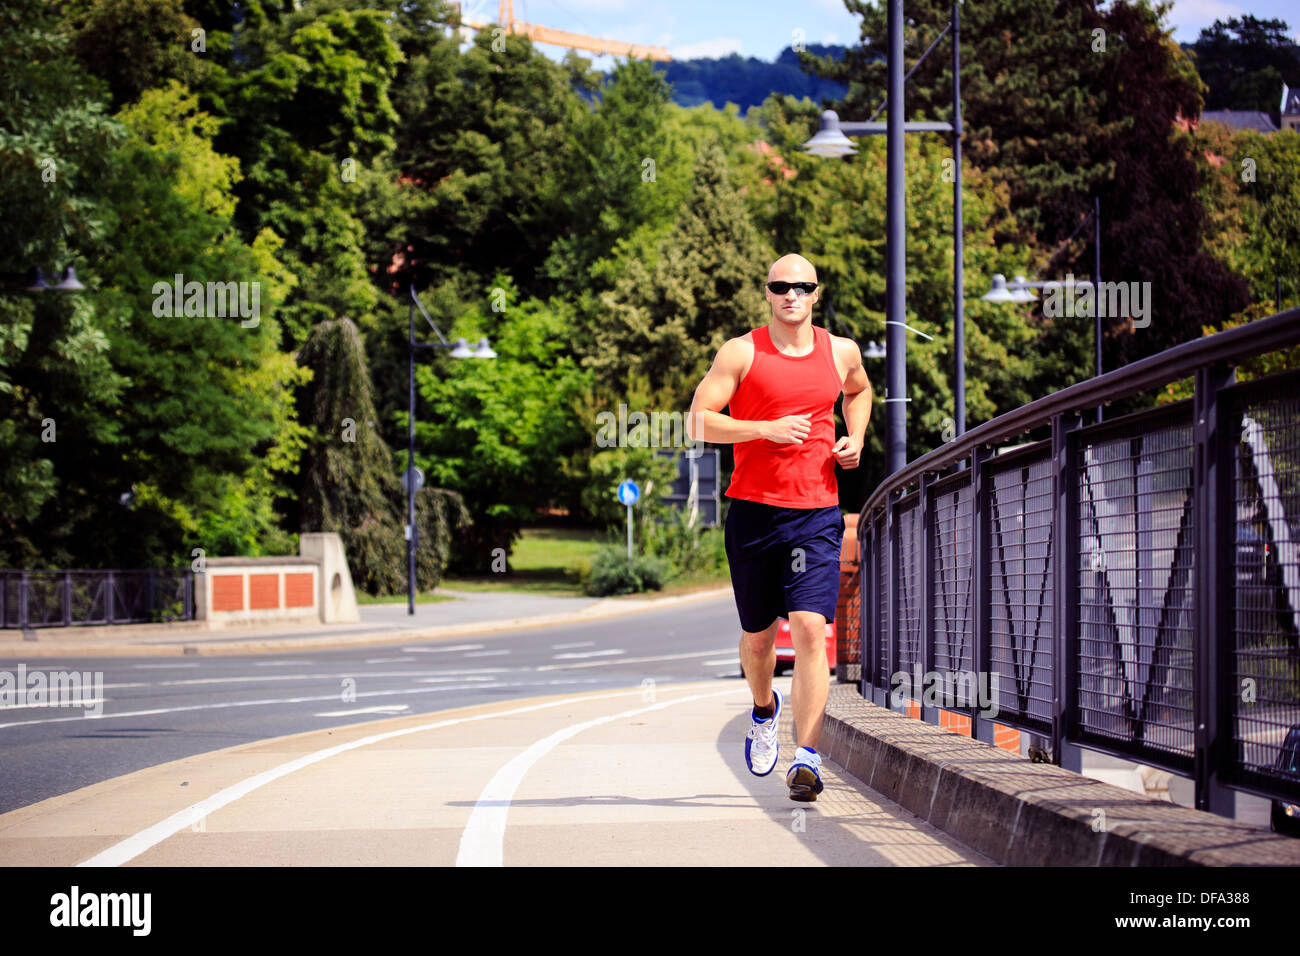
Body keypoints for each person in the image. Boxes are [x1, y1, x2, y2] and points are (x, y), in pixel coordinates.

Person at [687, 254, 872, 801]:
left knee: (813, 628)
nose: (791, 294)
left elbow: (858, 392)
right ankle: (764, 709)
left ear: (816, 293)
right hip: (753, 512)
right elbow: (698, 419)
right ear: (767, 293)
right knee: (758, 638)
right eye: (781, 286)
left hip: (817, 513)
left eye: (802, 286)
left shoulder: (840, 352)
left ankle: (808, 757)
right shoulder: (741, 352)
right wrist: (765, 429)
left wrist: (855, 437)